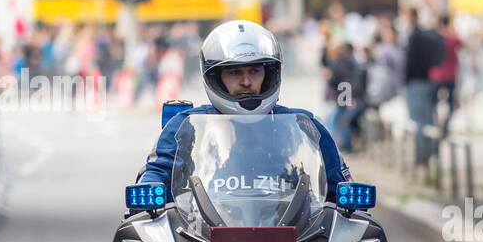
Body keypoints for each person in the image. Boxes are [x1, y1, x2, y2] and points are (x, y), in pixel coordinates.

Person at [137, 19, 351, 195]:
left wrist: (347, 199)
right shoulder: (185, 126)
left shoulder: (306, 126)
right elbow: (156, 174)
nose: (246, 82)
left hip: (294, 235)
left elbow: (340, 186)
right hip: (200, 236)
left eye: (254, 71)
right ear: (215, 77)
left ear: (269, 74)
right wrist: (149, 189)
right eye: (234, 72)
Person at [402, 8, 443, 165]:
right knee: (427, 119)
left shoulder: (414, 36)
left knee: (418, 121)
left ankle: (421, 156)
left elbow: (410, 62)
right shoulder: (426, 35)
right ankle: (431, 153)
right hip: (426, 80)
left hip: (415, 82)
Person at [429, 15, 463, 139]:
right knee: (451, 104)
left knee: (432, 103)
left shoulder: (434, 38)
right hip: (449, 75)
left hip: (436, 75)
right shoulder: (452, 39)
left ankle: (437, 124)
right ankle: (444, 126)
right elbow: (463, 44)